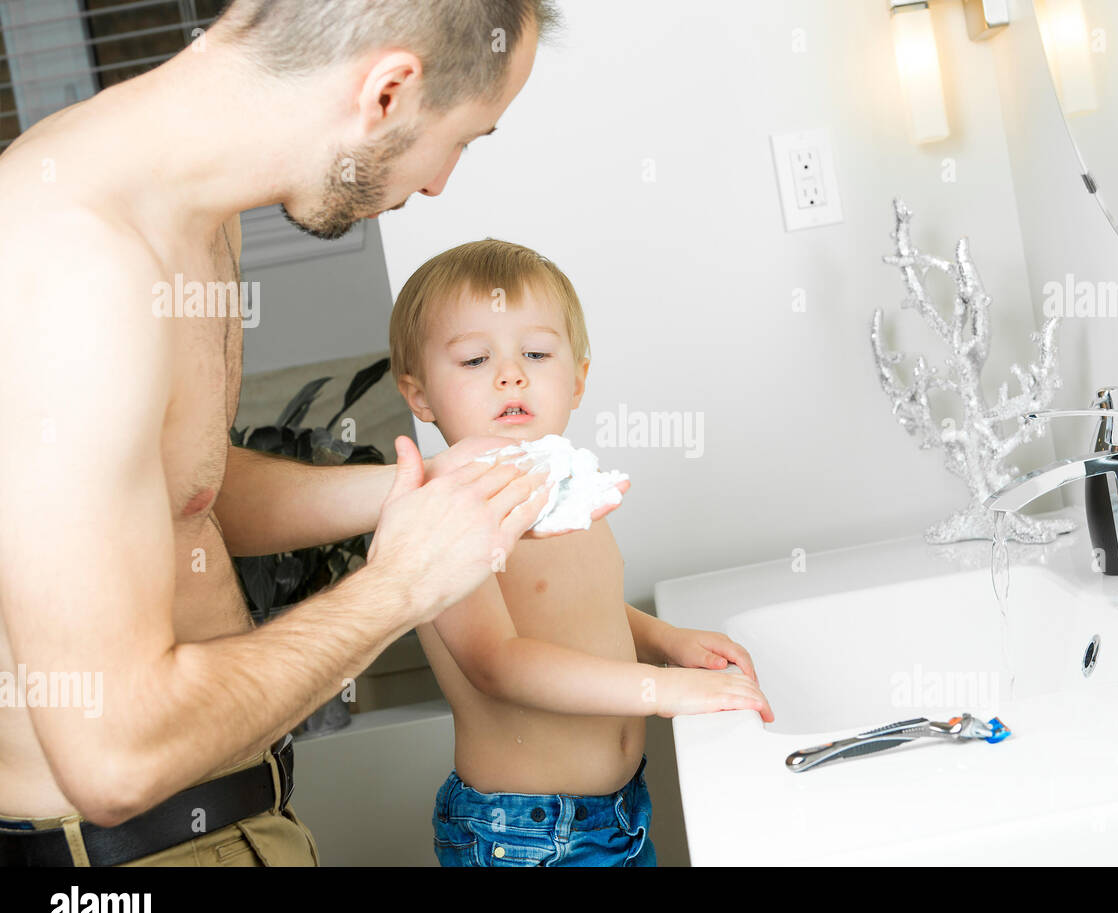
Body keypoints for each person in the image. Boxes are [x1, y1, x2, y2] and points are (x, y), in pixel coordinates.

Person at [0, 0, 589, 867]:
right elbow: (113, 757)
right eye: (464, 138)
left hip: (236, 820)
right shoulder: (66, 262)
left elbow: (183, 487)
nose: (439, 184)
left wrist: (430, 488)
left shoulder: (194, 212)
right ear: (388, 92)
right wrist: (402, 584)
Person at [389, 238, 774, 867]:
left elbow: (585, 612)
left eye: (535, 353)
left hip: (615, 815)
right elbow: (499, 663)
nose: (510, 374)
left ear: (578, 379)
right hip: (524, 835)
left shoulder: (567, 488)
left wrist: (664, 640)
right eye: (475, 359)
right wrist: (660, 688)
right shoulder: (448, 510)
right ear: (421, 395)